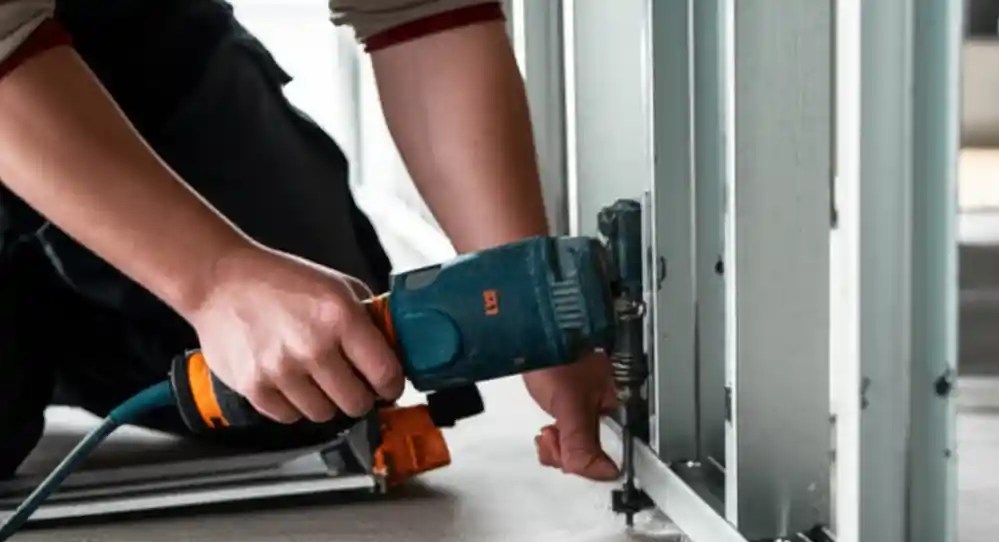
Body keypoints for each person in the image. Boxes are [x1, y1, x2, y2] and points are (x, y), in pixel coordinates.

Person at [0, 1, 619, 482]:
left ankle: (67, 306)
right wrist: (216, 280)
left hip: (140, 53)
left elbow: (423, 16)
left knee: (329, 371)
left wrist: (529, 309)